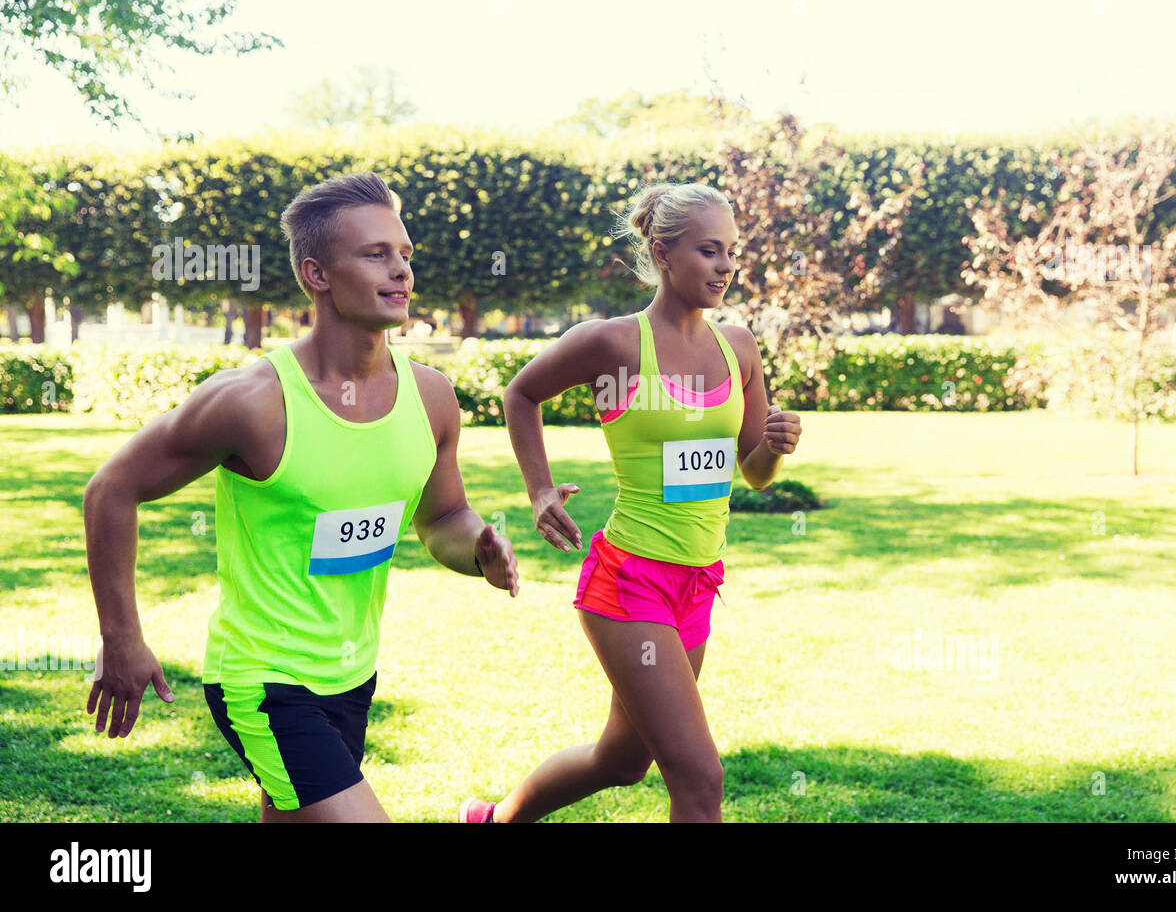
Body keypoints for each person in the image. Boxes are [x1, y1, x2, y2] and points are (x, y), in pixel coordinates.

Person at [82, 171, 518, 823]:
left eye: (404, 254)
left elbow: (444, 516)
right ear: (316, 274)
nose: (401, 270)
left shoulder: (430, 398)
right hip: (264, 681)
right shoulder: (253, 403)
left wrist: (478, 550)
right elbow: (111, 488)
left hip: (352, 675)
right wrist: (121, 637)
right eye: (375, 254)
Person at [458, 181, 802, 823]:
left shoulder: (740, 348)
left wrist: (775, 446)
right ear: (662, 252)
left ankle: (494, 820)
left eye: (731, 252)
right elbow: (521, 395)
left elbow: (751, 473)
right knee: (700, 782)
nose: (725, 266)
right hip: (629, 582)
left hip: (697, 582)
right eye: (708, 250)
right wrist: (538, 491)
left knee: (621, 762)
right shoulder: (614, 344)